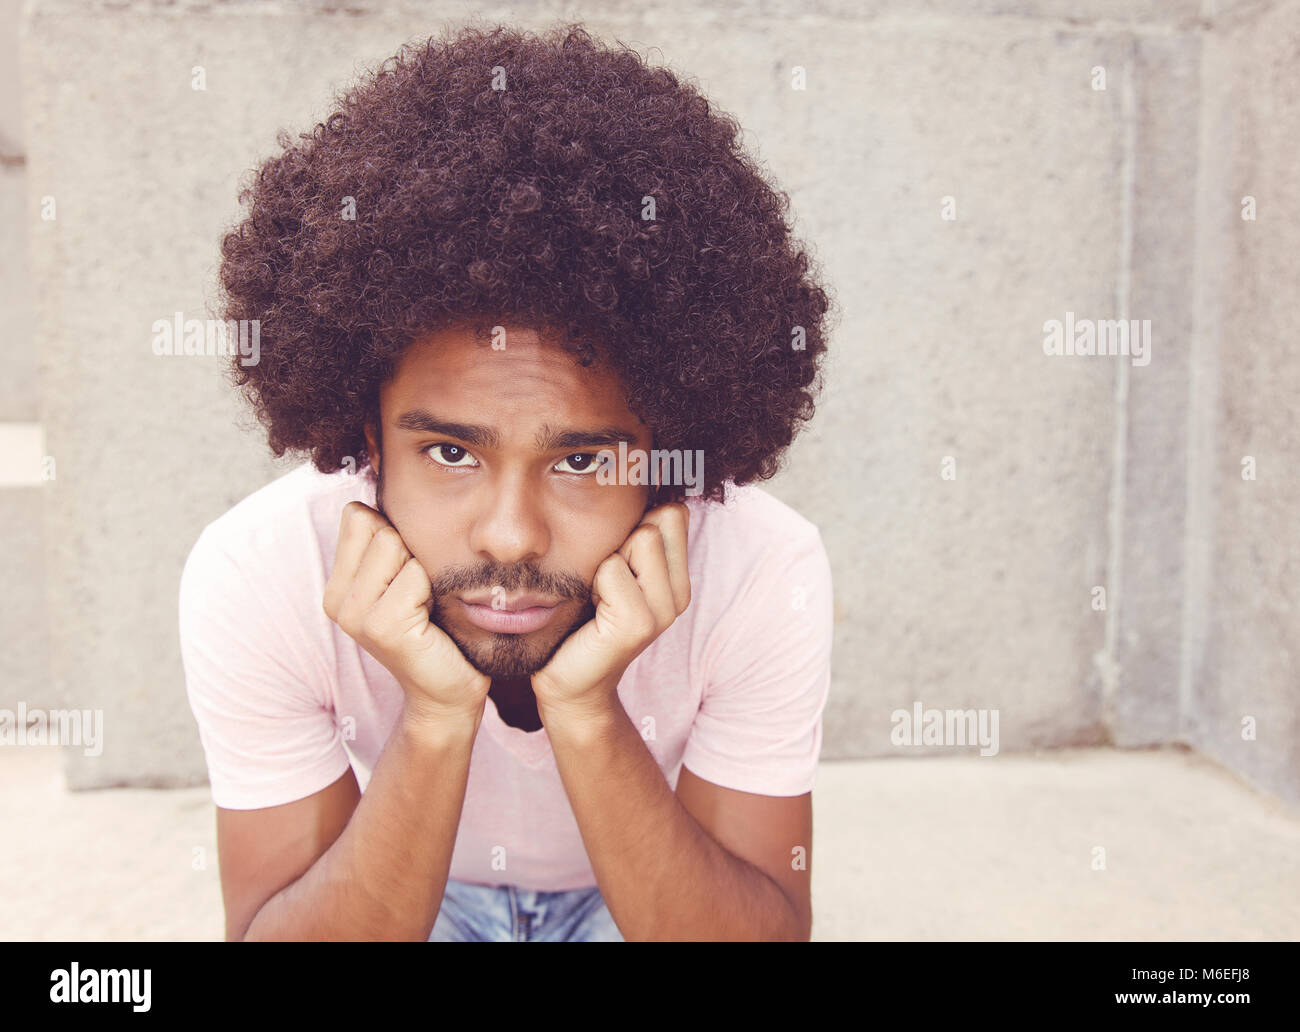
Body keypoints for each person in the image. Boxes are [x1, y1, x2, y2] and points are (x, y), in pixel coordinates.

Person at [179, 20, 835, 942]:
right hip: (408, 868)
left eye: (579, 460)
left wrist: (587, 710)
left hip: (651, 870)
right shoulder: (258, 570)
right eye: (450, 453)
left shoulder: (765, 568)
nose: (510, 537)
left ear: (670, 445)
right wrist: (436, 719)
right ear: (369, 440)